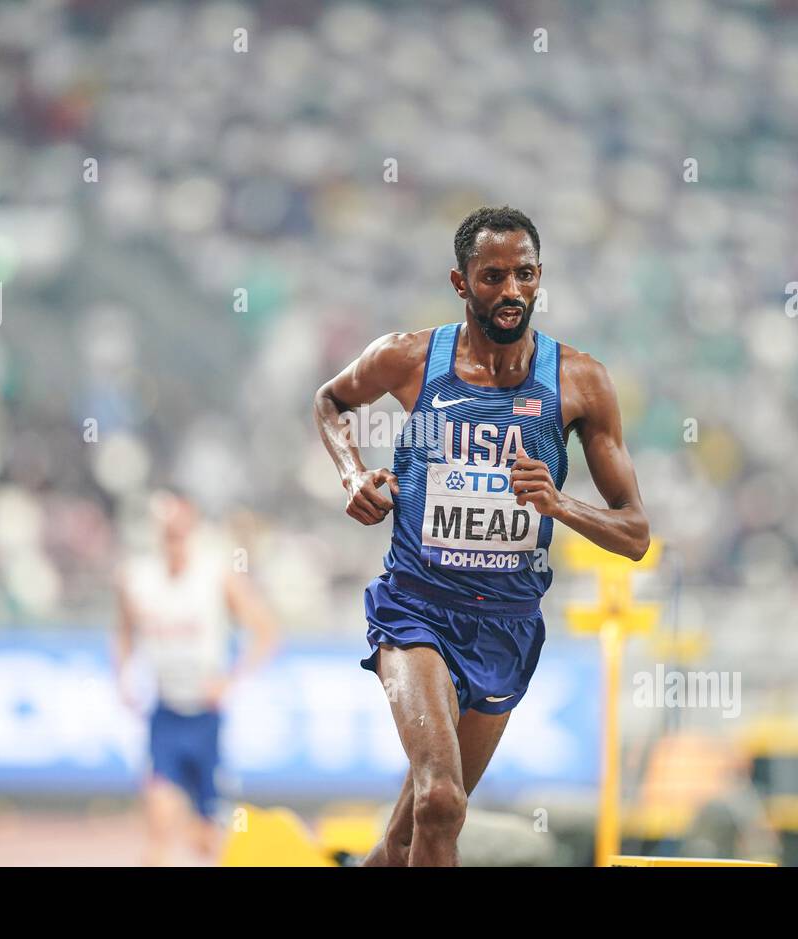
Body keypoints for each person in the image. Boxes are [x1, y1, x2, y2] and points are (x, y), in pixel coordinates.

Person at [313, 205, 650, 866]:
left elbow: (635, 532)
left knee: (411, 835)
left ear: (540, 278)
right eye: (492, 276)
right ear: (461, 283)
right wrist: (353, 475)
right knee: (442, 800)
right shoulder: (409, 358)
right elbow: (330, 401)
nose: (510, 291)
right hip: (416, 609)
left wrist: (558, 504)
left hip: (506, 624)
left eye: (524, 274)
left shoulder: (580, 382)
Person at [114, 492, 278, 866]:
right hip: (165, 715)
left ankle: (202, 827)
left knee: (206, 842)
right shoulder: (137, 578)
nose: (173, 539)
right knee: (158, 823)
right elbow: (123, 631)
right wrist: (123, 674)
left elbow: (266, 630)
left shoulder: (216, 574)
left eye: (179, 530)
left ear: (192, 528)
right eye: (166, 531)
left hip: (206, 719)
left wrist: (232, 680)